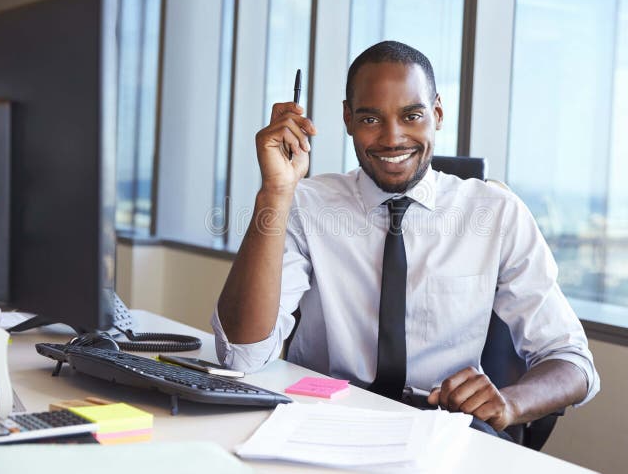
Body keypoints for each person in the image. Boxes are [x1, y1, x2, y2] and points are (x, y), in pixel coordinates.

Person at [213, 41, 599, 433]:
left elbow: (572, 362)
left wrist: (510, 404)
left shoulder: (495, 212)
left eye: (412, 115)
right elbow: (242, 357)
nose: (392, 138)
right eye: (370, 120)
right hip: (323, 419)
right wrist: (274, 191)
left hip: (439, 427)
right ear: (347, 118)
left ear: (437, 113)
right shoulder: (306, 205)